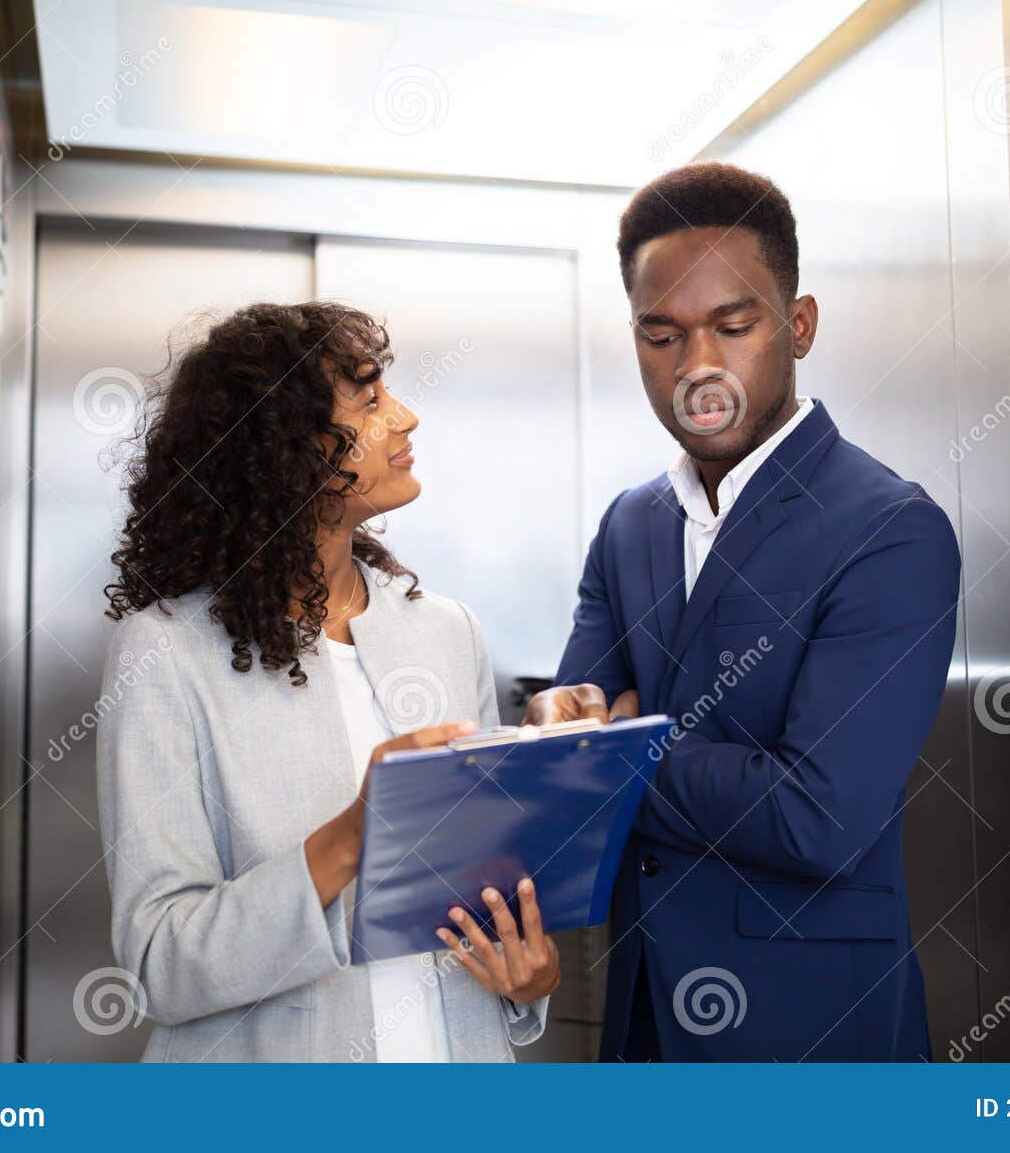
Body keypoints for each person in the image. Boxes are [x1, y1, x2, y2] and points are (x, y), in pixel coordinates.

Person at [526, 163, 961, 1062]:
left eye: (735, 324)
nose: (699, 367)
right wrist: (562, 734)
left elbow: (819, 820)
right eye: (663, 336)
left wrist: (622, 745)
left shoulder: (889, 529)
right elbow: (571, 773)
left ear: (798, 325)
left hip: (815, 1037)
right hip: (642, 1024)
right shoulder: (629, 524)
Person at [96, 301, 558, 1062]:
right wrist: (351, 835)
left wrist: (527, 979)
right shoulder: (167, 655)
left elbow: (489, 893)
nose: (405, 418)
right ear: (285, 448)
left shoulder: (448, 632)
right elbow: (160, 963)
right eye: (372, 400)